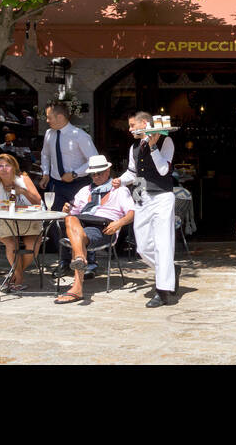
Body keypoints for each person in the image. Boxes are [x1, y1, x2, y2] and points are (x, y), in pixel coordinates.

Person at [114, 110, 178, 308]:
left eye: (132, 125)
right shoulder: (134, 147)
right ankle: (169, 271)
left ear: (144, 123)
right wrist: (120, 181)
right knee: (142, 246)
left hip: (162, 197)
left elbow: (163, 170)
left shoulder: (165, 142)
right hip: (141, 196)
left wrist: (152, 147)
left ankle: (163, 291)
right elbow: (132, 173)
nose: (130, 129)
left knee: (163, 244)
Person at [54, 155, 136, 304]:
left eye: (100, 173)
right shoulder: (85, 190)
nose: (96, 176)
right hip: (81, 224)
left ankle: (77, 286)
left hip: (103, 228)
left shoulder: (119, 190)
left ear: (108, 170)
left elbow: (132, 213)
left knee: (76, 236)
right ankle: (80, 259)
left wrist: (119, 224)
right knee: (70, 219)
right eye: (93, 174)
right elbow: (73, 212)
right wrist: (66, 210)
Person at [0, 152, 44, 293]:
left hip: (27, 223)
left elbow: (38, 201)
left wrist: (23, 191)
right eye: (0, 166)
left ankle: (14, 275)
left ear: (14, 167)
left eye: (7, 165)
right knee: (11, 243)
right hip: (2, 225)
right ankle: (19, 278)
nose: (3, 169)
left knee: (34, 242)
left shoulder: (24, 179)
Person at [39, 102, 99, 215]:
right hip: (56, 184)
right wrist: (46, 173)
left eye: (49, 117)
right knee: (54, 218)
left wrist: (74, 174)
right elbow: (45, 154)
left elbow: (94, 160)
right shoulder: (49, 134)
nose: (47, 121)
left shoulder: (80, 135)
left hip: (78, 184)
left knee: (77, 218)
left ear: (60, 117)